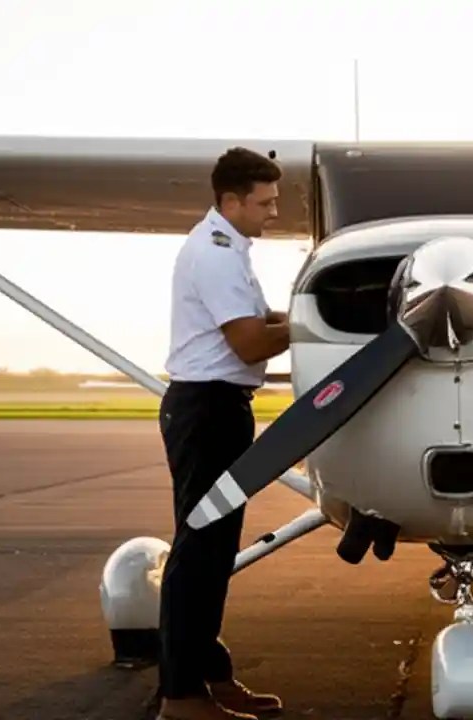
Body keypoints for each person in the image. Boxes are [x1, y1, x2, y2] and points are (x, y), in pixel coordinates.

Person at [156, 147, 291, 720]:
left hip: (219, 406)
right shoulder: (214, 256)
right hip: (207, 409)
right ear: (231, 200)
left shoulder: (229, 249)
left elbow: (263, 325)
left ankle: (208, 677)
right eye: (264, 202)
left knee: (213, 551)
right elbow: (253, 342)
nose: (273, 212)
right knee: (201, 551)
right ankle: (182, 696)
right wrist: (312, 325)